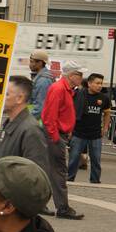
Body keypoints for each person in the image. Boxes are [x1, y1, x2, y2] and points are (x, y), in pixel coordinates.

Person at [41, 60, 84, 219]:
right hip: (56, 135)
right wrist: (55, 137)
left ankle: (43, 204)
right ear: (71, 75)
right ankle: (62, 207)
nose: (81, 78)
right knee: (58, 171)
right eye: (79, 75)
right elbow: (49, 116)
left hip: (58, 134)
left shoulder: (64, 89)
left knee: (52, 171)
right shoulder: (59, 89)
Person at [0, 76, 49, 170]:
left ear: (20, 98)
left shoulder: (31, 130)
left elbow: (34, 174)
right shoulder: (9, 124)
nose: (1, 98)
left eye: (6, 94)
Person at [68, 73, 111, 183]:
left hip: (95, 134)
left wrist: (105, 128)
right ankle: (69, 179)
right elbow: (71, 112)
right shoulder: (78, 95)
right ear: (89, 83)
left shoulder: (104, 98)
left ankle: (95, 181)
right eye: (97, 83)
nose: (99, 86)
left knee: (96, 160)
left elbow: (107, 113)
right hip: (79, 133)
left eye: (101, 83)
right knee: (74, 159)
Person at [29, 50, 54, 118]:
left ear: (40, 63)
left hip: (37, 121)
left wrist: (25, 121)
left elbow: (40, 108)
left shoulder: (43, 81)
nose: (30, 64)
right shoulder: (39, 77)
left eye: (32, 61)